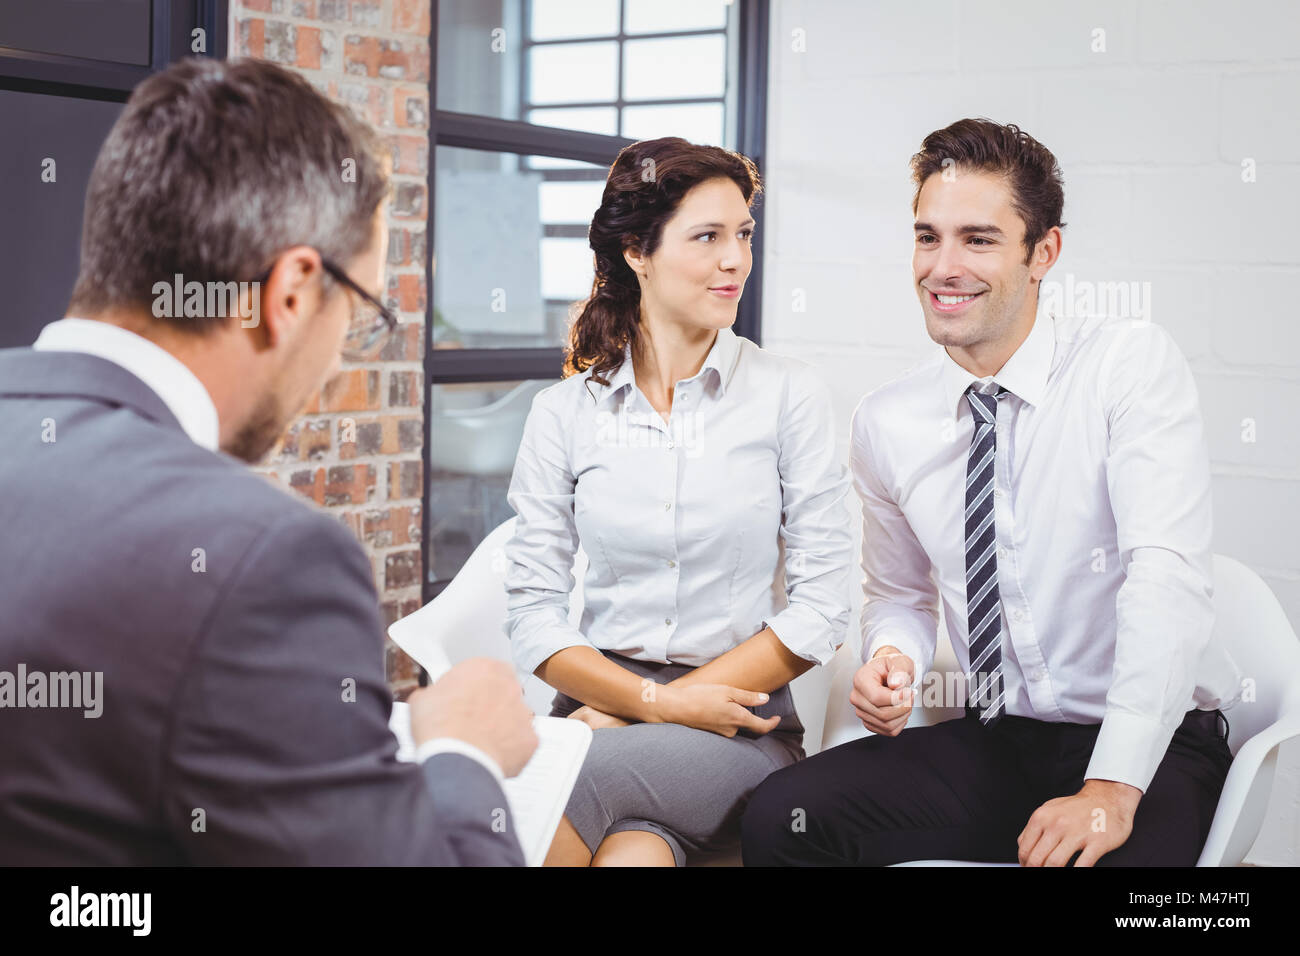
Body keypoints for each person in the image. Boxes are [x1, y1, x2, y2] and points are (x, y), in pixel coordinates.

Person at [0, 57, 536, 865]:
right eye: (358, 314)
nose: (341, 359)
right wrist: (465, 752)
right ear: (290, 293)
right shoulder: (264, 561)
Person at [742, 118, 1242, 867]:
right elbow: (900, 593)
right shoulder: (887, 420)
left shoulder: (1127, 367)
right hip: (1002, 742)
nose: (943, 268)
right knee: (784, 818)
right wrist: (893, 658)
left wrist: (1110, 788)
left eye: (978, 240)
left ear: (1044, 253)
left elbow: (1166, 580)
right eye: (928, 237)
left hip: (1150, 745)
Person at [503, 137, 854, 867]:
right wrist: (647, 705)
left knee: (550, 780)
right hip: (595, 709)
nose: (736, 261)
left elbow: (823, 608)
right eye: (708, 237)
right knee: (633, 854)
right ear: (637, 251)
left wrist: (659, 707)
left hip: (740, 723)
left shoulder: (789, 394)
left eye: (743, 235)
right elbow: (533, 613)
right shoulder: (563, 413)